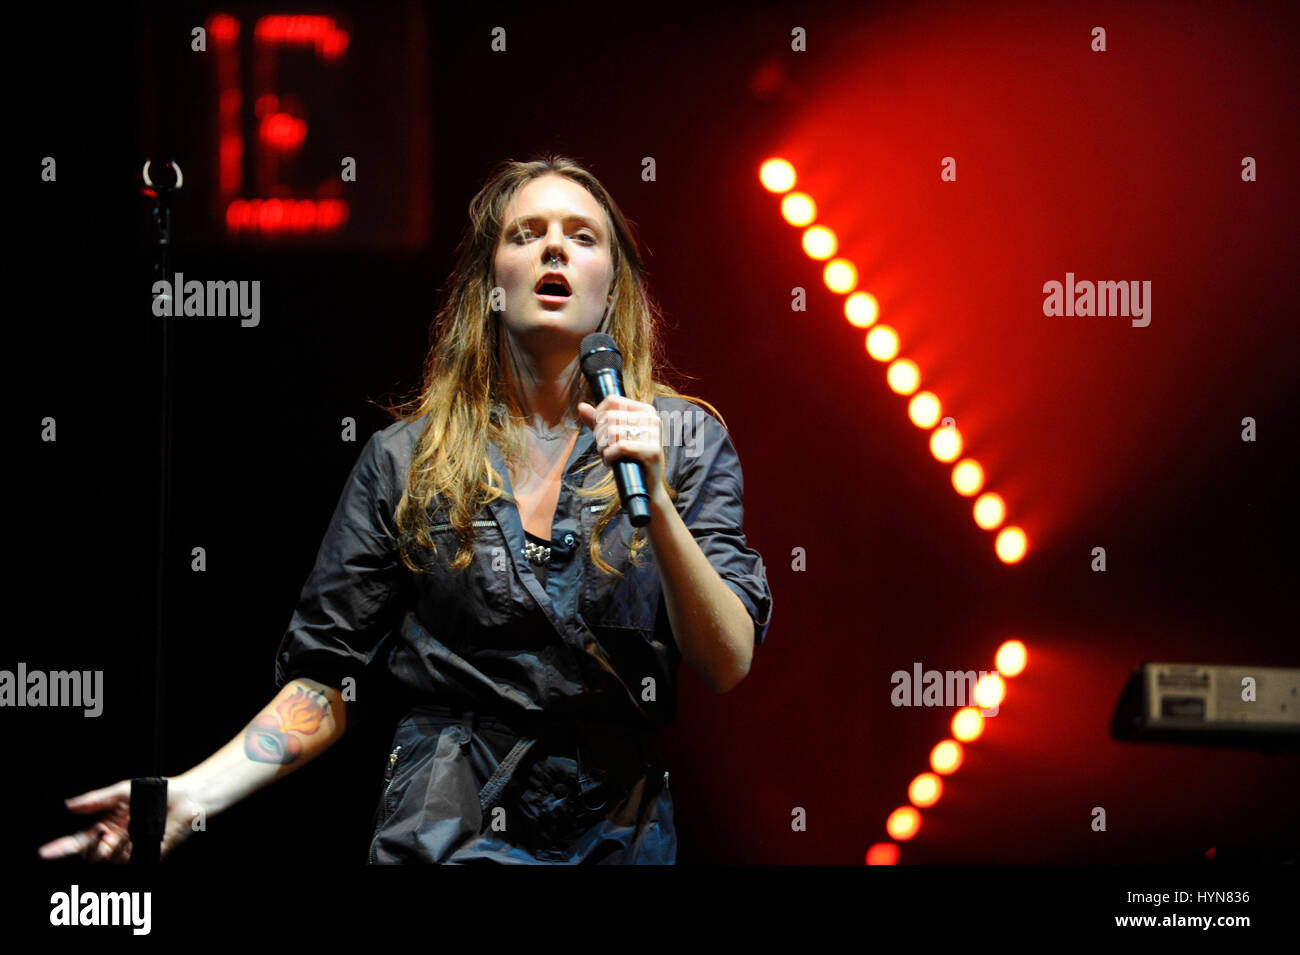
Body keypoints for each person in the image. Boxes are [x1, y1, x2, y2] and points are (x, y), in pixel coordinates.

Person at [38, 154, 773, 865]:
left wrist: (657, 501)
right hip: (446, 831)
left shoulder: (683, 440)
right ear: (490, 282)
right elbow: (328, 678)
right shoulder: (407, 457)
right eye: (527, 233)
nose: (554, 246)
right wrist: (193, 794)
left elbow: (726, 660)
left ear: (612, 287)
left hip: (619, 835)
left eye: (582, 236)